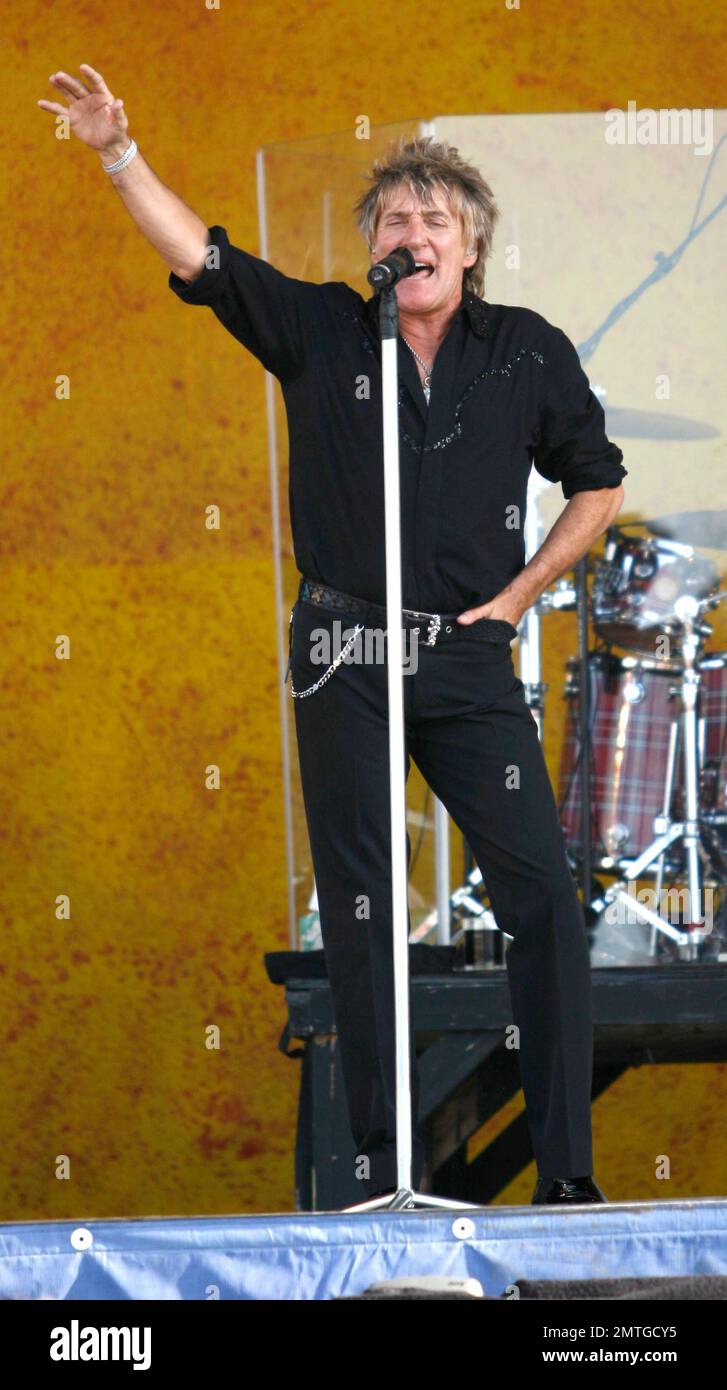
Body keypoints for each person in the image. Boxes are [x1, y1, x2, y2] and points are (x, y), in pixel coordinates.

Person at [38, 68, 626, 1206]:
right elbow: (201, 259)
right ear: (374, 243)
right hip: (344, 652)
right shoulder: (322, 328)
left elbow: (596, 485)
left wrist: (514, 598)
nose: (416, 234)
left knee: (542, 896)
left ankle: (566, 1179)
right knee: (360, 898)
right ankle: (375, 1167)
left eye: (436, 220)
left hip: (461, 651)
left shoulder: (524, 349)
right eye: (396, 219)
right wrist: (118, 152)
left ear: (471, 246)